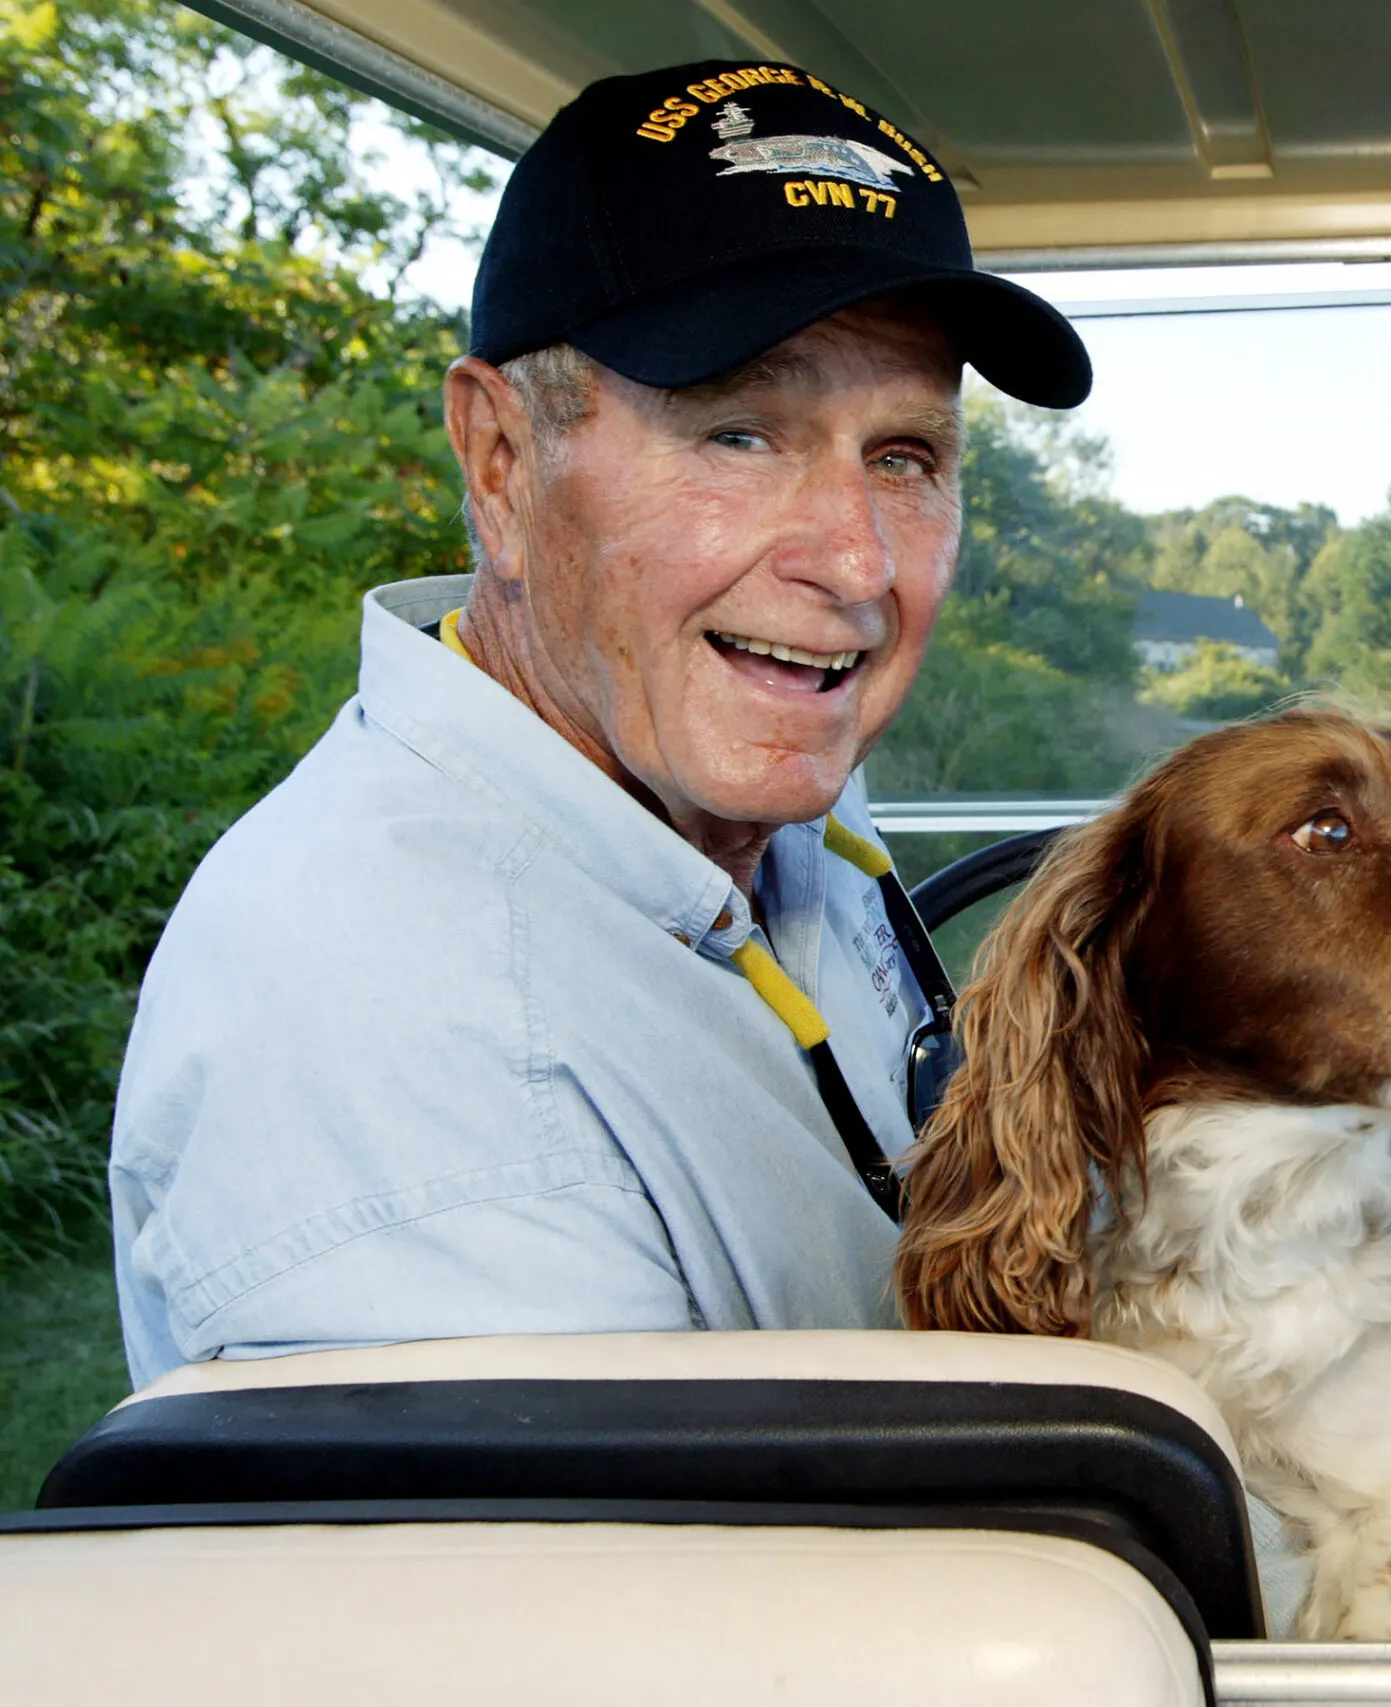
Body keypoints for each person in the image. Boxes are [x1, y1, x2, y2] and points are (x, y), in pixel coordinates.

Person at [109, 60, 1091, 1387]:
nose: (859, 565)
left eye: (905, 458)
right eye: (740, 434)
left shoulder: (727, 769)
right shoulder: (412, 1040)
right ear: (500, 459)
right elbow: (606, 1593)